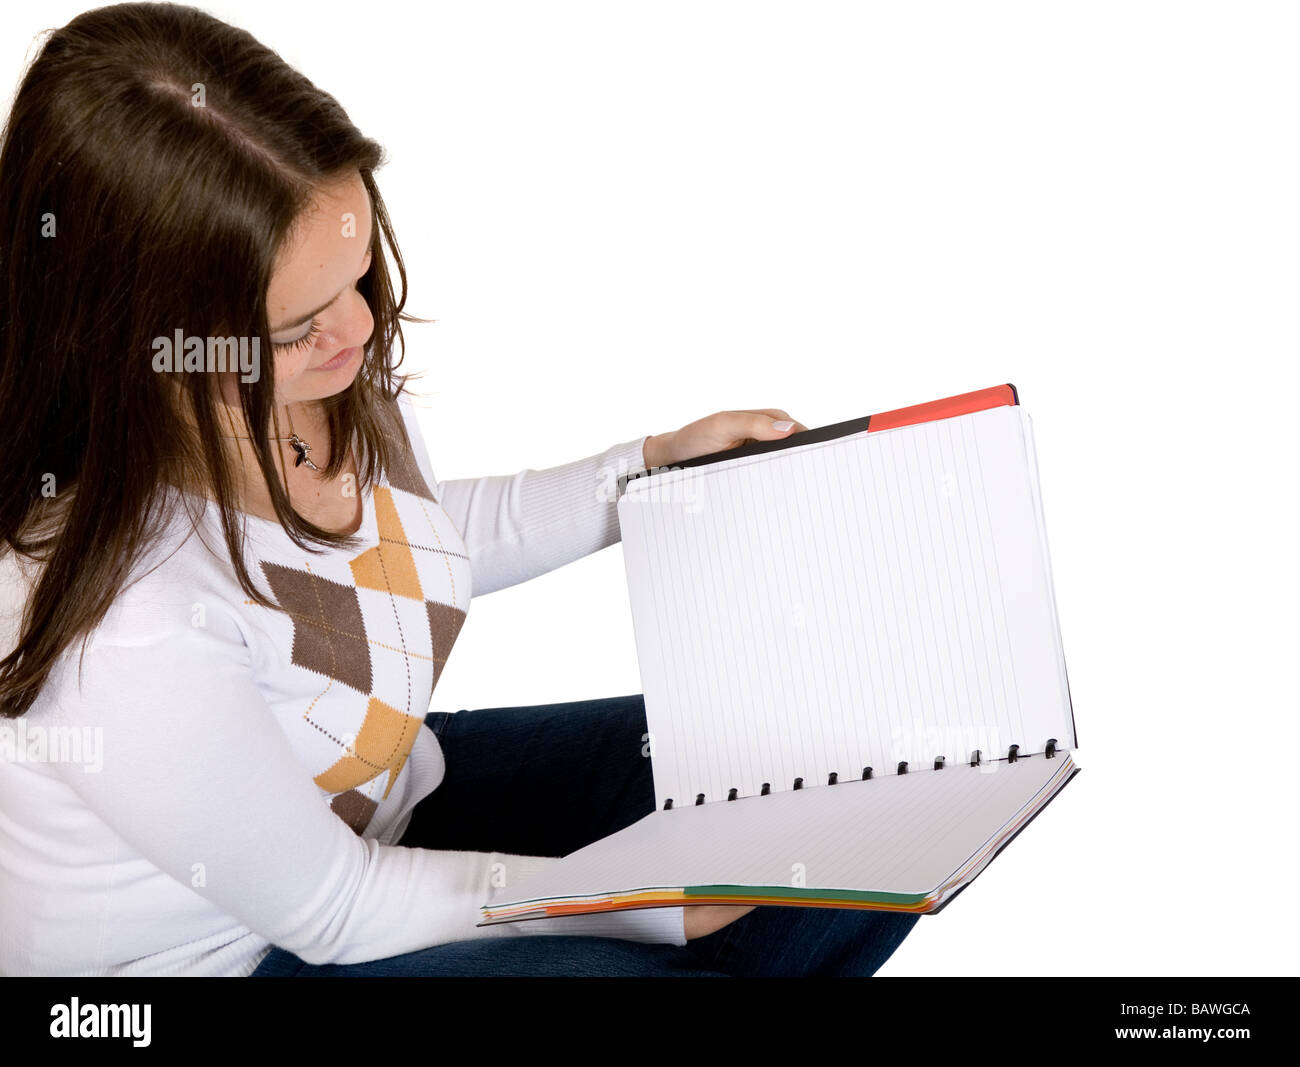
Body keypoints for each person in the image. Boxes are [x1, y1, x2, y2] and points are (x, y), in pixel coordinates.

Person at [0, 3, 917, 977]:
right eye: (298, 319)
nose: (354, 328)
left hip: (385, 815)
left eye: (356, 272)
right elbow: (337, 910)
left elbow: (409, 540)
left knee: (836, 786)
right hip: (242, 952)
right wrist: (647, 905)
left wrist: (644, 468)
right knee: (664, 953)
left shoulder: (320, 383)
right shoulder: (123, 620)